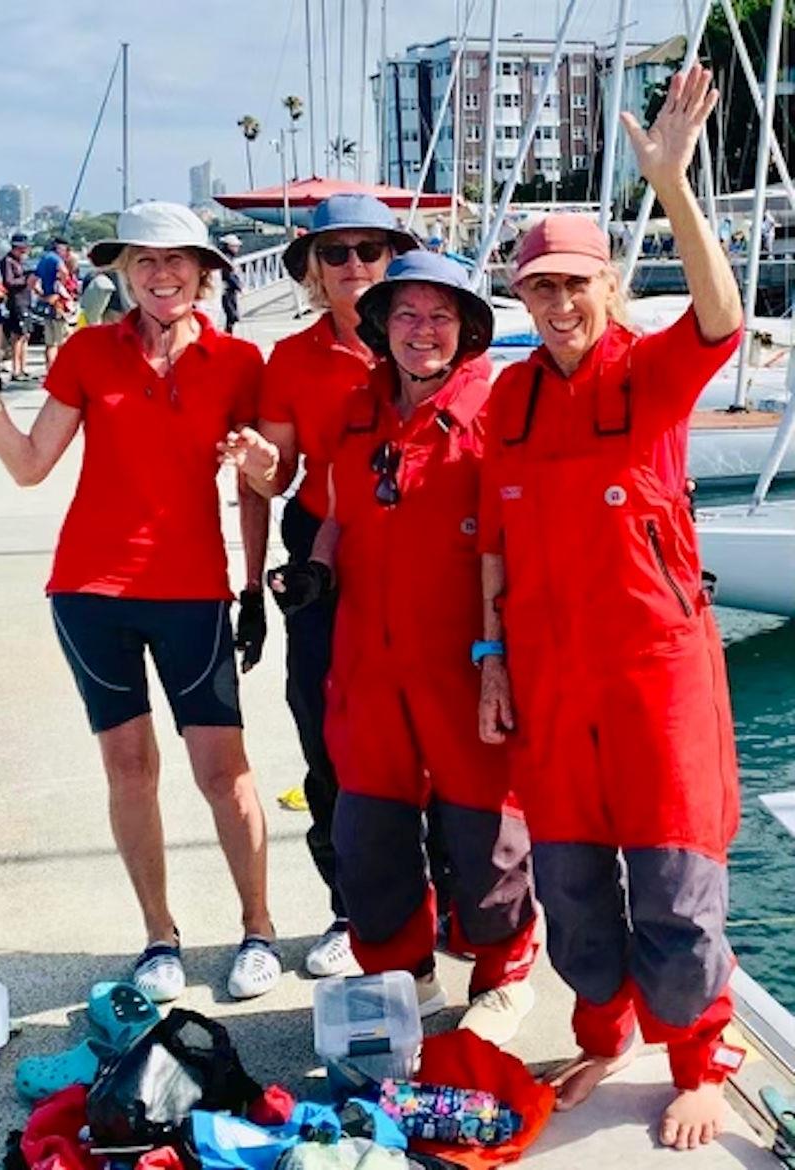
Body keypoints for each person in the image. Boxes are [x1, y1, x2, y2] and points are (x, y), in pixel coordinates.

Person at [477, 66, 744, 1150]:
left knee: (675, 885)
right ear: (522, 296)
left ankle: (700, 1058)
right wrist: (490, 653)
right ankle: (606, 1029)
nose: (556, 304)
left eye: (573, 285)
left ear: (606, 288)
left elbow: (720, 318)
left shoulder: (648, 373)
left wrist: (672, 184)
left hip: (654, 674)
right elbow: (492, 538)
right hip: (547, 673)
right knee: (575, 887)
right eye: (538, 287)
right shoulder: (509, 395)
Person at [0, 201, 278, 1005]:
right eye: (143, 262)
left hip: (192, 592)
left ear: (204, 272)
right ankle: (160, 935)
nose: (161, 275)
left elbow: (264, 484)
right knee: (129, 769)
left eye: (176, 261)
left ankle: (257, 927)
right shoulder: (88, 352)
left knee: (225, 773)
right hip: (90, 593)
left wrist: (253, 568)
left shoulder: (238, 360)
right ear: (123, 273)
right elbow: (29, 465)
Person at [264, 251, 539, 1044]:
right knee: (368, 829)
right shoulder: (357, 407)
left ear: (468, 330)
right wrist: (313, 571)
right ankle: (401, 972)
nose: (423, 331)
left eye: (441, 316)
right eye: (407, 315)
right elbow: (344, 507)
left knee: (486, 829)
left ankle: (502, 971)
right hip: (365, 661)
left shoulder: (496, 409)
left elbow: (515, 536)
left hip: (464, 658)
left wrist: (502, 656)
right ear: (382, 326)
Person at [235, 193, 420, 978]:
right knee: (326, 727)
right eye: (335, 254)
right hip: (320, 553)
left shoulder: (425, 336)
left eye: (369, 251)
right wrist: (254, 471)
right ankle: (352, 907)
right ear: (310, 270)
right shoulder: (291, 361)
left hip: (418, 544)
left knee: (432, 725)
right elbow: (274, 477)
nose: (354, 267)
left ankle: (444, 897)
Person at [31, 236, 75, 369]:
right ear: (60, 248)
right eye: (65, 249)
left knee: (50, 343)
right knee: (62, 340)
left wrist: (42, 295)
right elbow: (64, 272)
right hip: (58, 304)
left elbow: (32, 281)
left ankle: (50, 370)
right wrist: (60, 288)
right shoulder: (56, 259)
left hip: (46, 304)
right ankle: (62, 370)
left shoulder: (44, 259)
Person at [1, 232, 33, 381]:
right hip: (17, 302)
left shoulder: (21, 262)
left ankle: (23, 367)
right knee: (18, 336)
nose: (24, 252)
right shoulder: (8, 261)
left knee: (26, 335)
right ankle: (16, 369)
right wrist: (25, 279)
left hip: (26, 301)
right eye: (21, 249)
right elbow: (9, 282)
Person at [219, 233, 244, 334]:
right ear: (229, 246)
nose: (237, 249)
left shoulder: (226, 257)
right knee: (231, 315)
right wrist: (238, 286)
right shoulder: (226, 258)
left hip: (228, 289)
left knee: (231, 315)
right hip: (226, 290)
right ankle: (228, 335)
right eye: (236, 246)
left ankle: (228, 334)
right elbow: (227, 275)